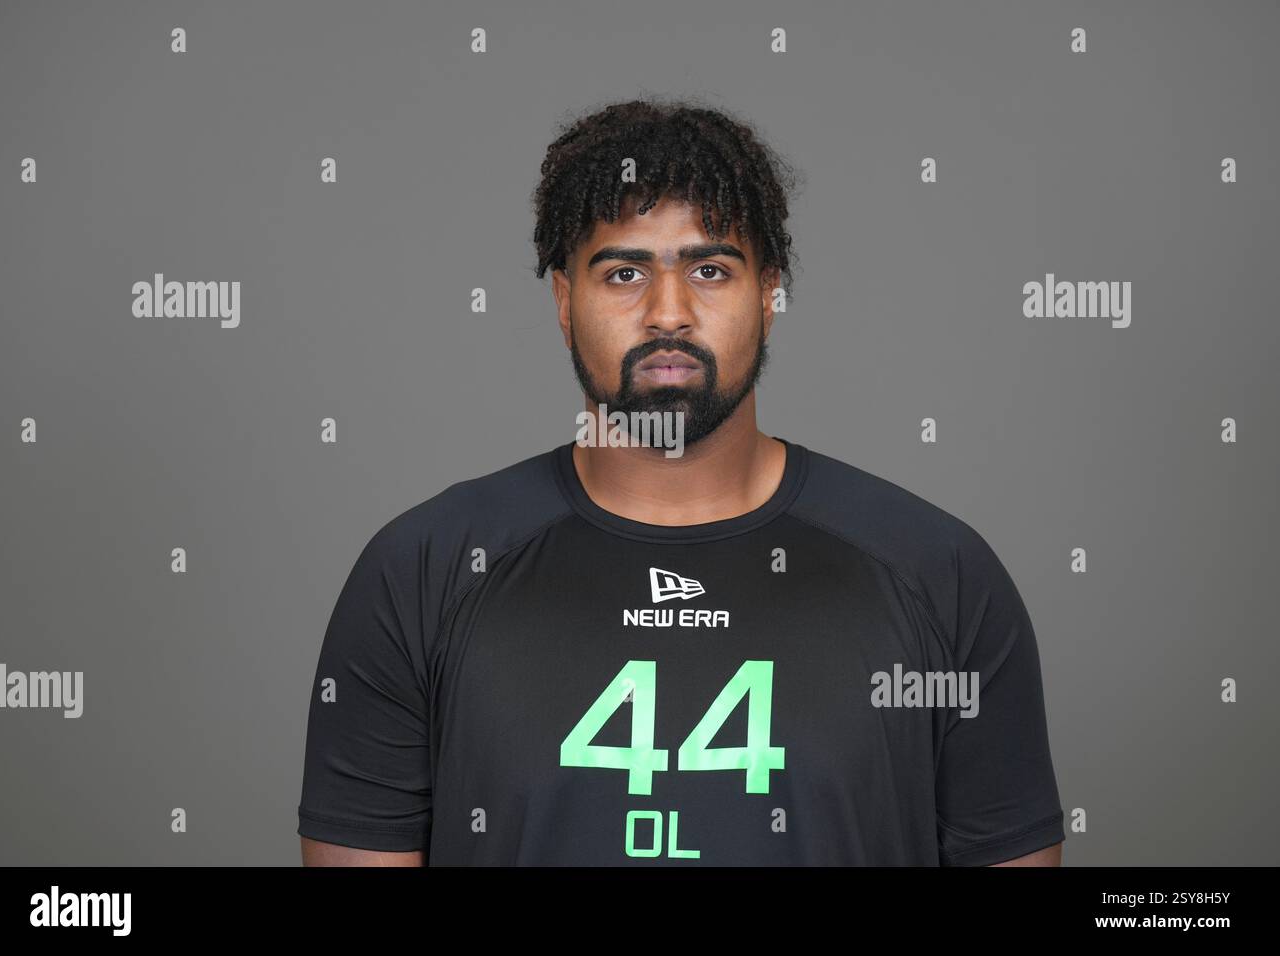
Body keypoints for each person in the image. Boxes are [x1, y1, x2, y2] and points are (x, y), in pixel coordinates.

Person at [297, 97, 1065, 866]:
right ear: (565, 302)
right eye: (624, 272)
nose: (669, 313)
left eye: (710, 269)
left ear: (770, 292)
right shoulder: (424, 570)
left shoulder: (938, 573)